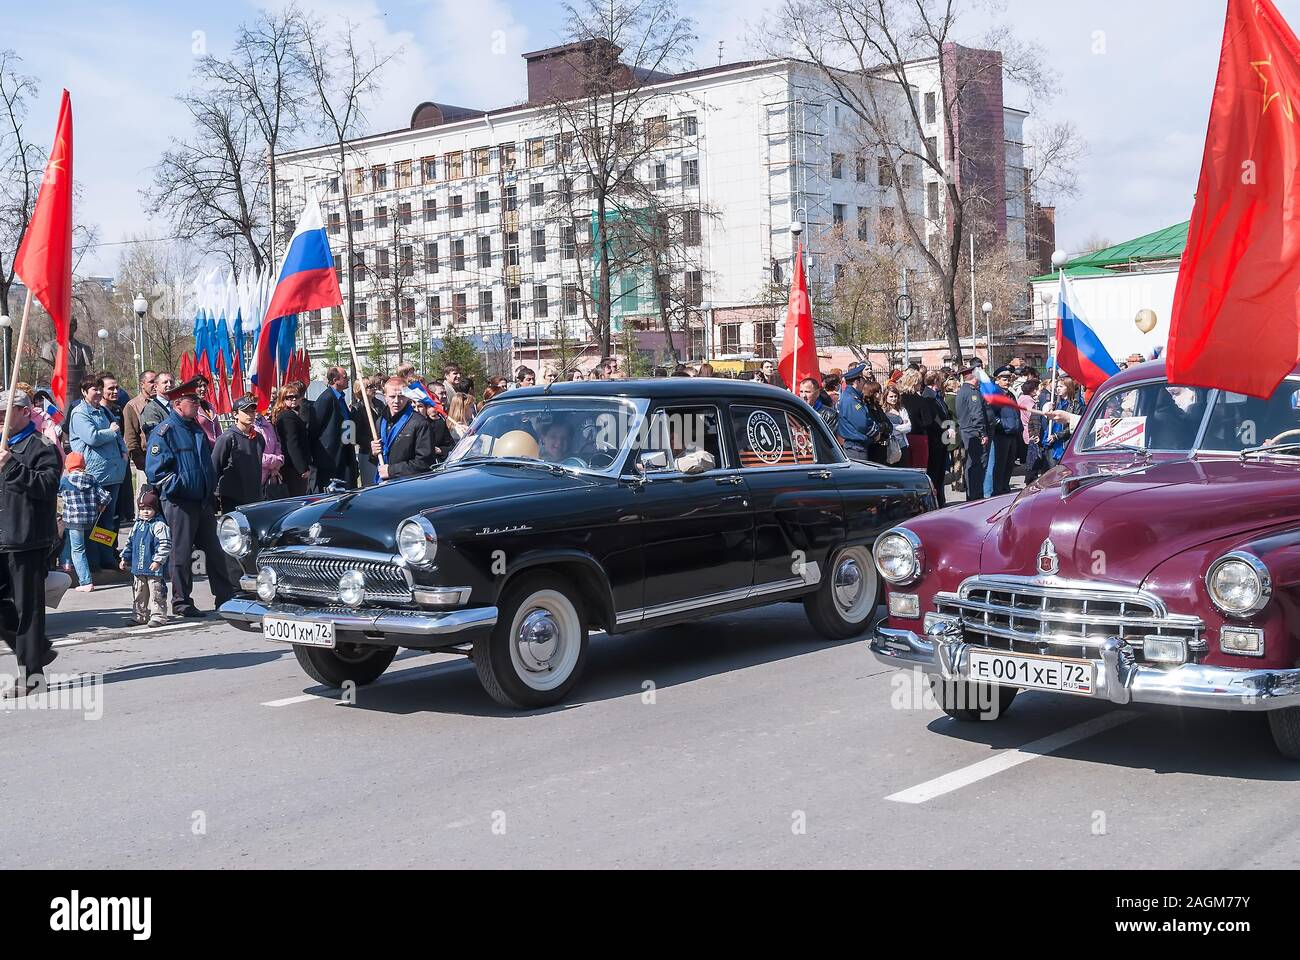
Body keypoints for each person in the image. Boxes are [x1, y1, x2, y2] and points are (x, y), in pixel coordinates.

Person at [144, 376, 234, 618]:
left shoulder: (195, 428)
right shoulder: (165, 432)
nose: (197, 403)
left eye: (197, 399)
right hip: (180, 502)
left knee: (215, 551)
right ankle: (182, 601)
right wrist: (181, 487)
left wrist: (208, 487)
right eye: (192, 400)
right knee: (181, 554)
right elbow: (157, 472)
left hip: (201, 501)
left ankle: (225, 596)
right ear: (177, 404)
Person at [0, 389, 62, 695]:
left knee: (29, 609)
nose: (0, 419)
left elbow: (48, 485)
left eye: (5, 413)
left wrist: (12, 466)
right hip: (2, 537)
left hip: (27, 538)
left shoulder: (41, 446)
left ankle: (32, 676)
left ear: (25, 412)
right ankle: (36, 646)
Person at [69, 374, 128, 571]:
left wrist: (123, 452)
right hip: (94, 476)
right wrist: (110, 432)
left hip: (112, 474)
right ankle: (92, 561)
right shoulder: (79, 413)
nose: (98, 392)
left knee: (107, 522)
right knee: (92, 521)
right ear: (84, 392)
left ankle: (106, 557)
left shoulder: (104, 411)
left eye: (98, 388)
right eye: (93, 389)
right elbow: (92, 437)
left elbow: (119, 433)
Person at [59, 451, 111, 592]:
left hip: (73, 521)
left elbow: (56, 494)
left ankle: (85, 581)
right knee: (87, 544)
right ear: (84, 465)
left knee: (77, 549)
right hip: (90, 519)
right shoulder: (92, 479)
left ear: (68, 467)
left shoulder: (65, 481)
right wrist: (100, 506)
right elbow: (106, 497)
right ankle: (85, 567)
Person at [119, 489, 171, 628]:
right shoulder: (137, 525)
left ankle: (158, 616)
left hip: (154, 568)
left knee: (156, 593)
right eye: (142, 509)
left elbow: (165, 544)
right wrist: (124, 558)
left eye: (149, 509)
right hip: (138, 567)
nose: (145, 512)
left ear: (155, 509)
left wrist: (158, 560)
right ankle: (139, 615)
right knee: (139, 593)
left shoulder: (159, 525)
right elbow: (129, 543)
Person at [371, 377, 436, 480]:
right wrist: (374, 453)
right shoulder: (380, 421)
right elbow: (379, 459)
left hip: (408, 485)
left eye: (401, 396)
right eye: (392, 397)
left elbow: (425, 463)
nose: (396, 401)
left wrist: (392, 471)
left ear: (407, 397)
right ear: (385, 397)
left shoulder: (420, 423)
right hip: (383, 483)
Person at [212, 394, 266, 513]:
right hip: (233, 499)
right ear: (235, 414)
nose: (250, 415)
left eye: (252, 411)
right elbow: (215, 467)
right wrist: (215, 495)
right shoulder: (227, 438)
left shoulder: (259, 438)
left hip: (255, 497)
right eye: (245, 411)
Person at [311, 366, 357, 490]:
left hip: (345, 451)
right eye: (345, 377)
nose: (348, 379)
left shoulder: (340, 398)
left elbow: (347, 423)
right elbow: (314, 427)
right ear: (336, 380)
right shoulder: (326, 398)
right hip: (331, 457)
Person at [955, 365, 992, 501]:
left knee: (972, 464)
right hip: (973, 433)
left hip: (967, 431)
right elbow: (977, 414)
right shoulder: (972, 392)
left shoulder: (963, 391)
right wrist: (982, 433)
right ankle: (975, 496)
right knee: (976, 465)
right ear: (973, 377)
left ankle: (973, 494)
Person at [836, 364, 885, 464]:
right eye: (862, 379)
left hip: (857, 446)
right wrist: (876, 433)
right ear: (856, 382)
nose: (864, 382)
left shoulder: (853, 396)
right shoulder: (851, 399)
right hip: (856, 447)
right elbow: (862, 423)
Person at [272, 383, 312, 497]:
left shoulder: (291, 414)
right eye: (289, 397)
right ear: (282, 399)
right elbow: (291, 444)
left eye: (296, 396)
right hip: (292, 468)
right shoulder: (287, 416)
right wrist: (302, 468)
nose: (293, 399)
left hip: (292, 467)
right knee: (297, 500)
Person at [989, 366, 1022, 495]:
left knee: (1009, 465)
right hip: (1001, 434)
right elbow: (992, 415)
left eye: (1009, 379)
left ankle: (1005, 487)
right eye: (1004, 379)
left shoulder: (1010, 394)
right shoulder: (995, 394)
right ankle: (997, 491)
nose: (1007, 381)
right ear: (997, 380)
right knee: (999, 465)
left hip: (1012, 434)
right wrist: (1002, 425)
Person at [124, 370, 158, 472]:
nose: (155, 385)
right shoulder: (132, 406)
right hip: (147, 461)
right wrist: (142, 464)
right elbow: (131, 439)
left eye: (156, 382)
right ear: (142, 385)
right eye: (152, 382)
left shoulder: (163, 403)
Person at [253, 402, 285, 498]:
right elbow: (255, 455)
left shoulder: (268, 425)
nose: (257, 410)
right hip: (257, 477)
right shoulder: (249, 428)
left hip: (271, 476)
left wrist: (278, 462)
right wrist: (275, 461)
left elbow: (276, 444)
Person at [883, 383, 911, 465]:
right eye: (891, 396)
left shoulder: (902, 410)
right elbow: (888, 428)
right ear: (886, 397)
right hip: (890, 446)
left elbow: (908, 427)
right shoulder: (883, 411)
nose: (894, 399)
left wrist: (894, 427)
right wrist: (900, 425)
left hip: (903, 445)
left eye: (895, 396)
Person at [140, 372, 175, 438]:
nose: (169, 384)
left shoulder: (178, 405)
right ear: (156, 386)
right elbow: (154, 435)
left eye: (171, 382)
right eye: (165, 382)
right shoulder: (150, 409)